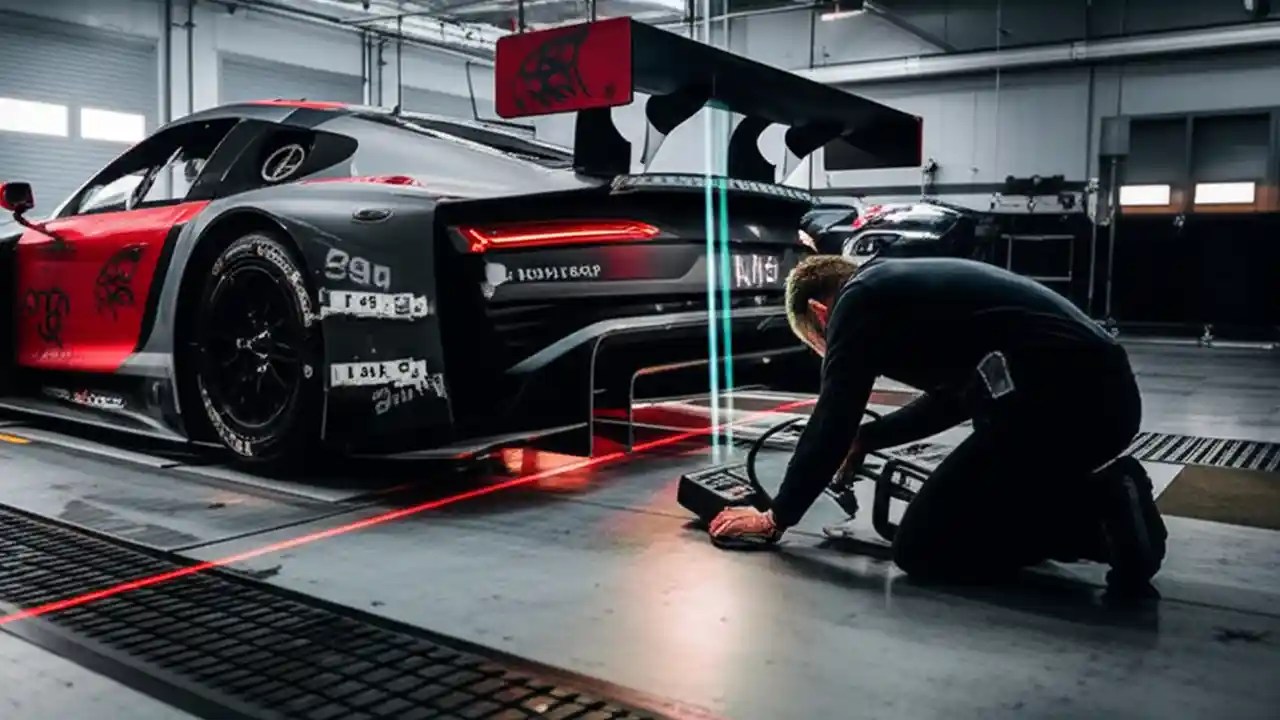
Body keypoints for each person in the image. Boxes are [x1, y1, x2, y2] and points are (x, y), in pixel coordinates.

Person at [708, 254, 1167, 594]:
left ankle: (1103, 508)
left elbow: (834, 411)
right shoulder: (905, 290)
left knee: (923, 548)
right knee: (984, 503)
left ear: (822, 314)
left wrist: (776, 516)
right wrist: (869, 438)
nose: (831, 355)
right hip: (1105, 402)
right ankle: (1114, 518)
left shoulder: (858, 300)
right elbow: (953, 401)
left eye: (820, 345)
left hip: (1051, 403)